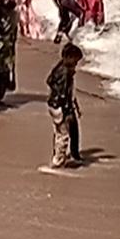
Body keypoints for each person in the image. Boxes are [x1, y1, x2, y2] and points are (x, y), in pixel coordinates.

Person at [46, 41, 85, 169]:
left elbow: (50, 81)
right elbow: (63, 94)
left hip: (54, 104)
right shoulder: (65, 74)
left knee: (60, 131)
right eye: (75, 62)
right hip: (60, 106)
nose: (76, 65)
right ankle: (58, 160)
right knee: (63, 134)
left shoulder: (59, 68)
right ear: (69, 58)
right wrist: (67, 109)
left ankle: (63, 155)